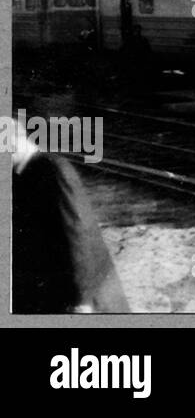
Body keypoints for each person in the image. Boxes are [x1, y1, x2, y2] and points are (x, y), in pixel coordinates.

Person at [11, 124, 131, 313]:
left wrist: (82, 299)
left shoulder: (52, 168)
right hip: (45, 290)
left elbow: (79, 232)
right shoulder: (21, 172)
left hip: (76, 295)